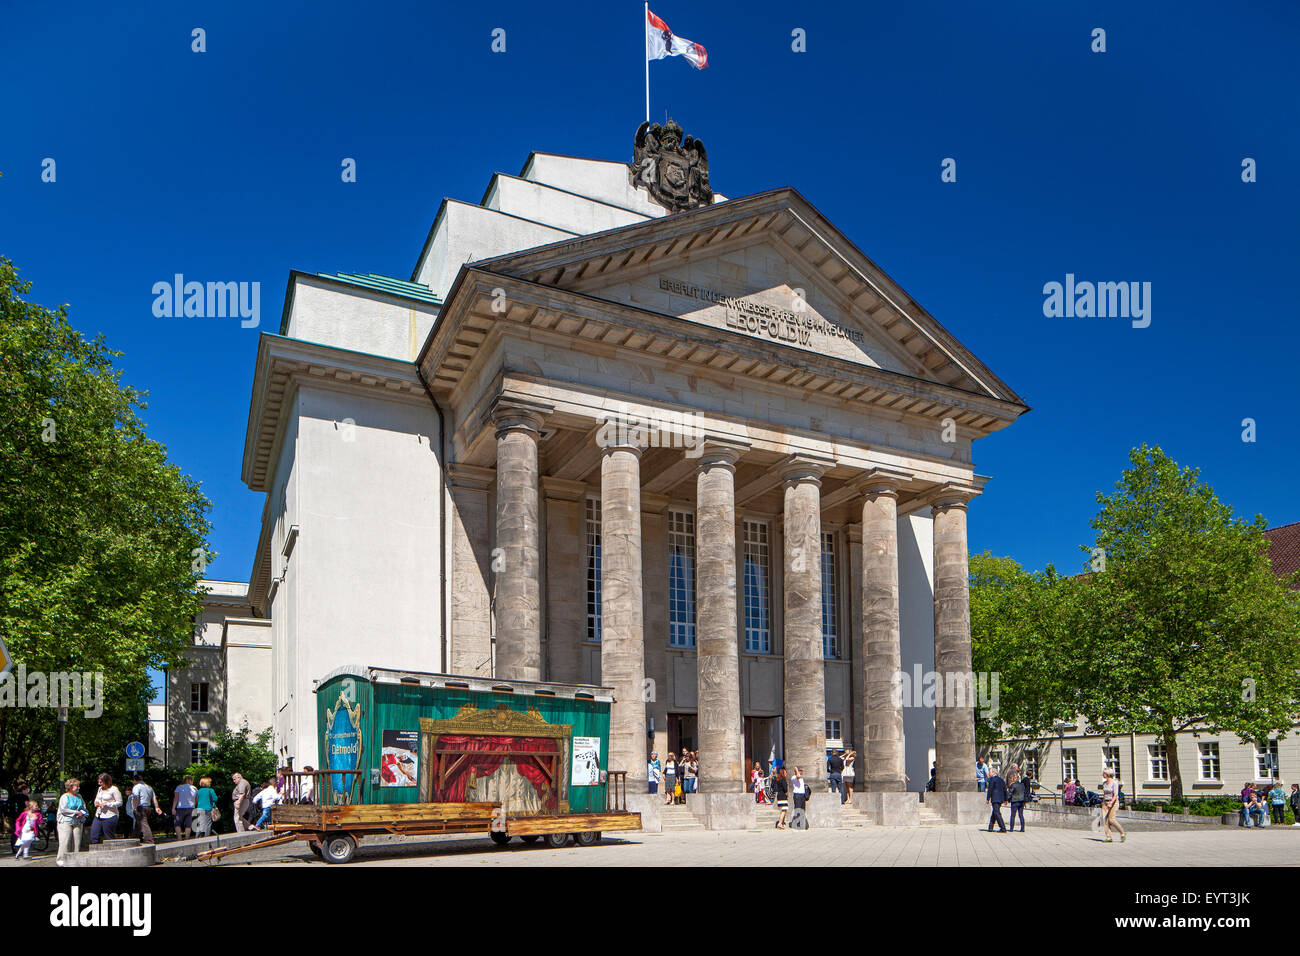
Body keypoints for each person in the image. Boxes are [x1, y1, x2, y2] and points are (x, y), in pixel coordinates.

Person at [55, 778, 87, 865]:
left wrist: (82, 813)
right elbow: (63, 809)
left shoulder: (79, 797)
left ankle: (75, 861)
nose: (78, 788)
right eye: (76, 786)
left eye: (78, 786)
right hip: (65, 821)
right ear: (70, 787)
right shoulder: (64, 797)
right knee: (65, 842)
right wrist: (75, 812)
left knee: (77, 843)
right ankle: (61, 861)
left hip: (78, 821)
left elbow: (84, 807)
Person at [90, 773, 122, 845]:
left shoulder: (114, 789)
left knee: (109, 836)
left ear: (106, 781)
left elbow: (120, 802)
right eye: (98, 782)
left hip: (110, 815)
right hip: (99, 815)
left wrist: (108, 804)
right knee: (94, 834)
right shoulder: (100, 789)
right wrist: (97, 803)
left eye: (101, 782)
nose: (99, 784)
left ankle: (112, 852)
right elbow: (97, 799)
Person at [130, 774, 159, 845]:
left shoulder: (136, 787)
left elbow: (136, 798)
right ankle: (134, 838)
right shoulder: (149, 787)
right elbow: (154, 798)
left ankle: (149, 840)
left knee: (143, 824)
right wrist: (156, 807)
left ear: (135, 780)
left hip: (140, 807)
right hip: (148, 807)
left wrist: (134, 808)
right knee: (138, 824)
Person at [1101, 768, 1126, 843]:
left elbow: (1115, 795)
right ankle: (1108, 837)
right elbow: (1105, 794)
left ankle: (1122, 833)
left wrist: (1111, 803)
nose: (1103, 774)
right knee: (1105, 820)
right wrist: (1103, 803)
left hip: (1113, 802)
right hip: (1105, 802)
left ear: (1108, 774)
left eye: (1104, 773)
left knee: (1111, 819)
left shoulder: (1114, 783)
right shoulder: (1104, 783)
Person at [172, 775, 197, 840]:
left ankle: (179, 837)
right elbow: (196, 799)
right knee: (188, 824)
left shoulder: (179, 787)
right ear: (191, 781)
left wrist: (173, 808)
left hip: (180, 807)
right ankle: (187, 837)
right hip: (191, 808)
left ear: (185, 780)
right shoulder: (194, 788)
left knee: (177, 823)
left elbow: (176, 798)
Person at [985, 766, 1008, 832]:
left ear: (993, 773)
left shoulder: (992, 779)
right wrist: (1006, 799)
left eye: (990, 772)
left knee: (997, 813)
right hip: (1000, 798)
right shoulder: (1001, 779)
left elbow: (990, 789)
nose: (989, 773)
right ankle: (990, 827)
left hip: (995, 798)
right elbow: (1005, 790)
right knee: (994, 812)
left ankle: (1003, 827)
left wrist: (987, 798)